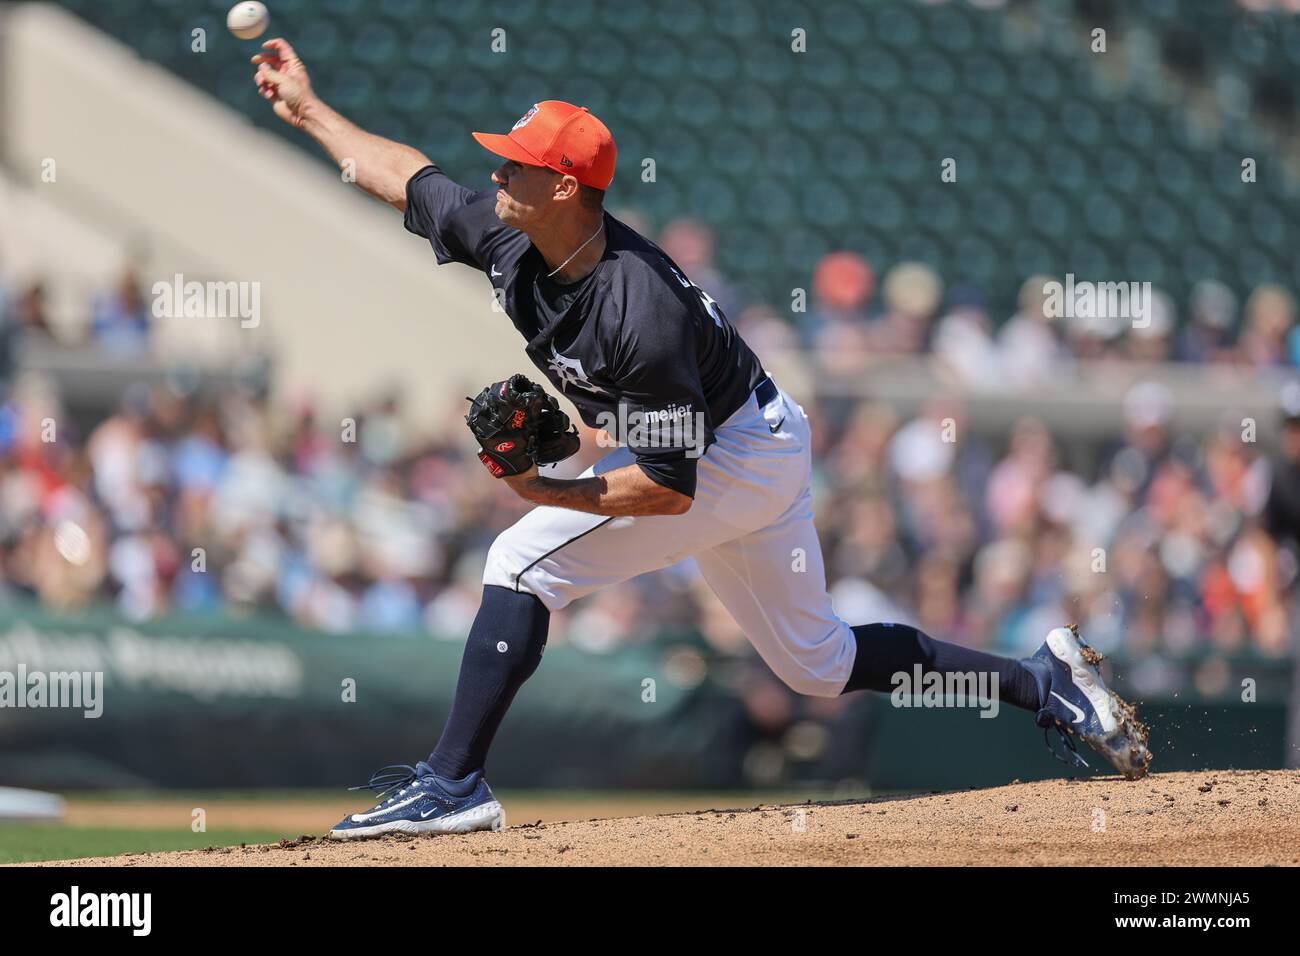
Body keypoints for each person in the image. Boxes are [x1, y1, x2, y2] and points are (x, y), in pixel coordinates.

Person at [250, 38, 1151, 839]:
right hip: (758, 433)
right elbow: (401, 174)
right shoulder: (509, 236)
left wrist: (548, 490)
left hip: (733, 455)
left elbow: (670, 487)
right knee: (816, 663)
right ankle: (1043, 678)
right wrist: (310, 110)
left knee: (524, 560)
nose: (496, 177)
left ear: (566, 187)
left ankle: (453, 784)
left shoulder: (639, 312)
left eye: (516, 167)